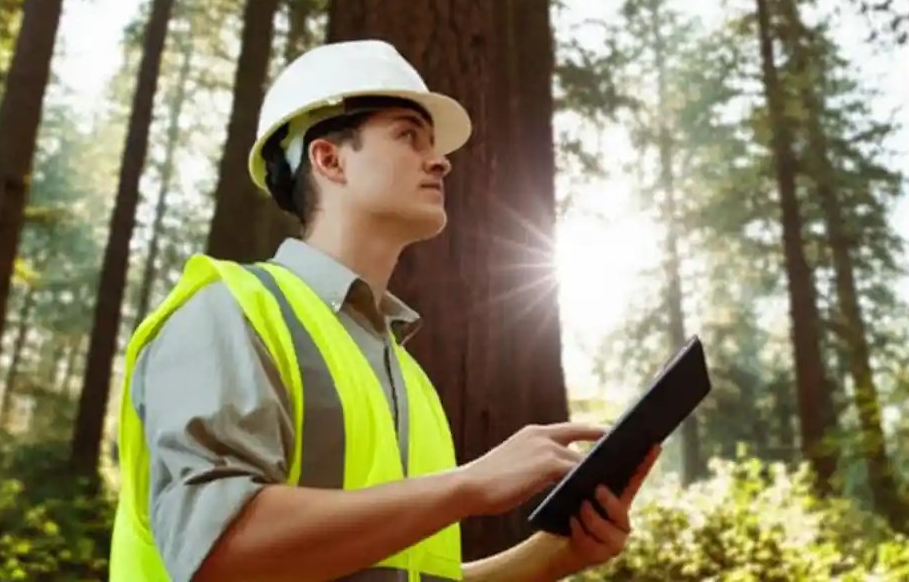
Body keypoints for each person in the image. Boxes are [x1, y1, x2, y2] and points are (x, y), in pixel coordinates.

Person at [108, 39, 660, 581]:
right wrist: (468, 486)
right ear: (329, 159)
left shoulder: (408, 379)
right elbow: (215, 548)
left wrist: (555, 555)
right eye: (408, 137)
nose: (441, 161)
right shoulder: (230, 311)